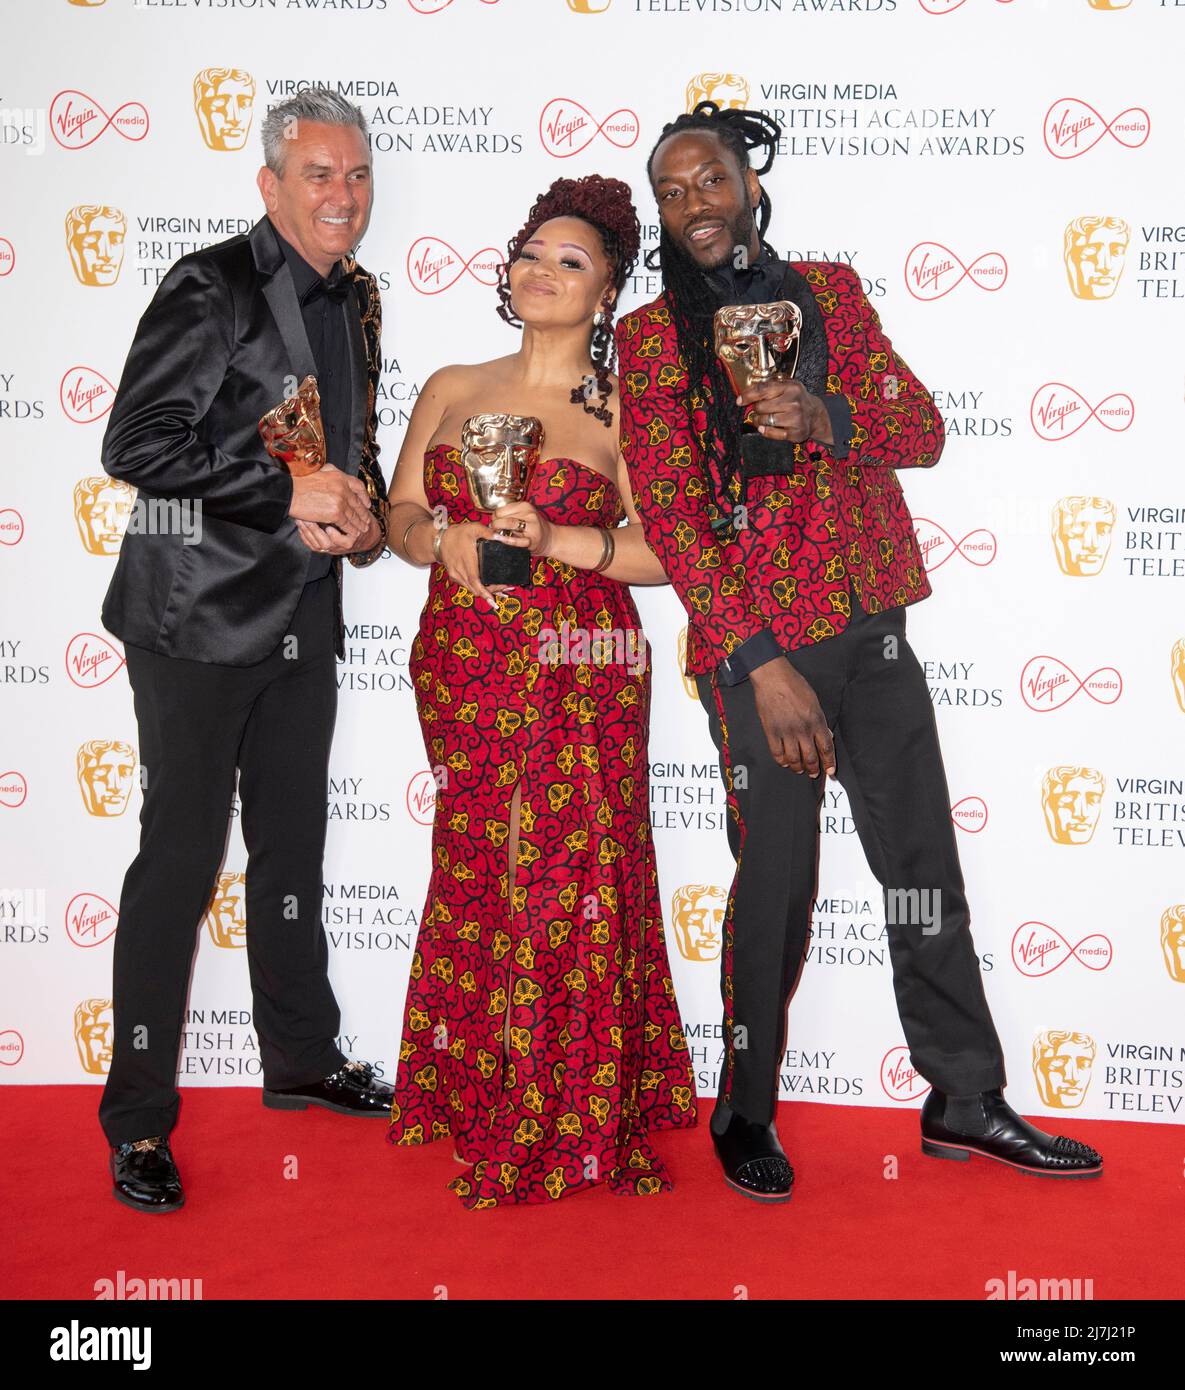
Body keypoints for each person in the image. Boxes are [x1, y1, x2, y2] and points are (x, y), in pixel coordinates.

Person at [616, 100, 1104, 1203]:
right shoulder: (650, 342)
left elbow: (921, 429)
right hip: (759, 658)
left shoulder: (828, 293)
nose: (694, 203)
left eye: (711, 180)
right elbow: (682, 522)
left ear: (751, 187)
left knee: (922, 872)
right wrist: (762, 662)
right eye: (673, 191)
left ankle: (964, 1099)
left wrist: (832, 413)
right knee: (777, 886)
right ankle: (745, 1109)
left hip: (873, 632)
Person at [97, 90, 394, 1214]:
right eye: (320, 175)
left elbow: (336, 450)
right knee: (175, 867)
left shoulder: (358, 297)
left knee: (291, 848)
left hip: (302, 613)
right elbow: (137, 441)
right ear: (270, 185)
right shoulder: (209, 284)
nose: (343, 197)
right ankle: (135, 1121)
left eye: (357, 175)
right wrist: (284, 492)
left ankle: (302, 1056)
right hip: (194, 618)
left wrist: (355, 517)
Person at [385, 175, 696, 1207]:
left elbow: (669, 552)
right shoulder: (451, 383)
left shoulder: (626, 407)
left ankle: (566, 1103)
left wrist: (564, 539)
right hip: (462, 662)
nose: (540, 271)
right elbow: (396, 516)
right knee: (480, 854)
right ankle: (482, 1081)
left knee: (564, 867)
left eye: (570, 261)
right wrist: (446, 535)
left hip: (579, 657)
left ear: (608, 290)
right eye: (529, 253)